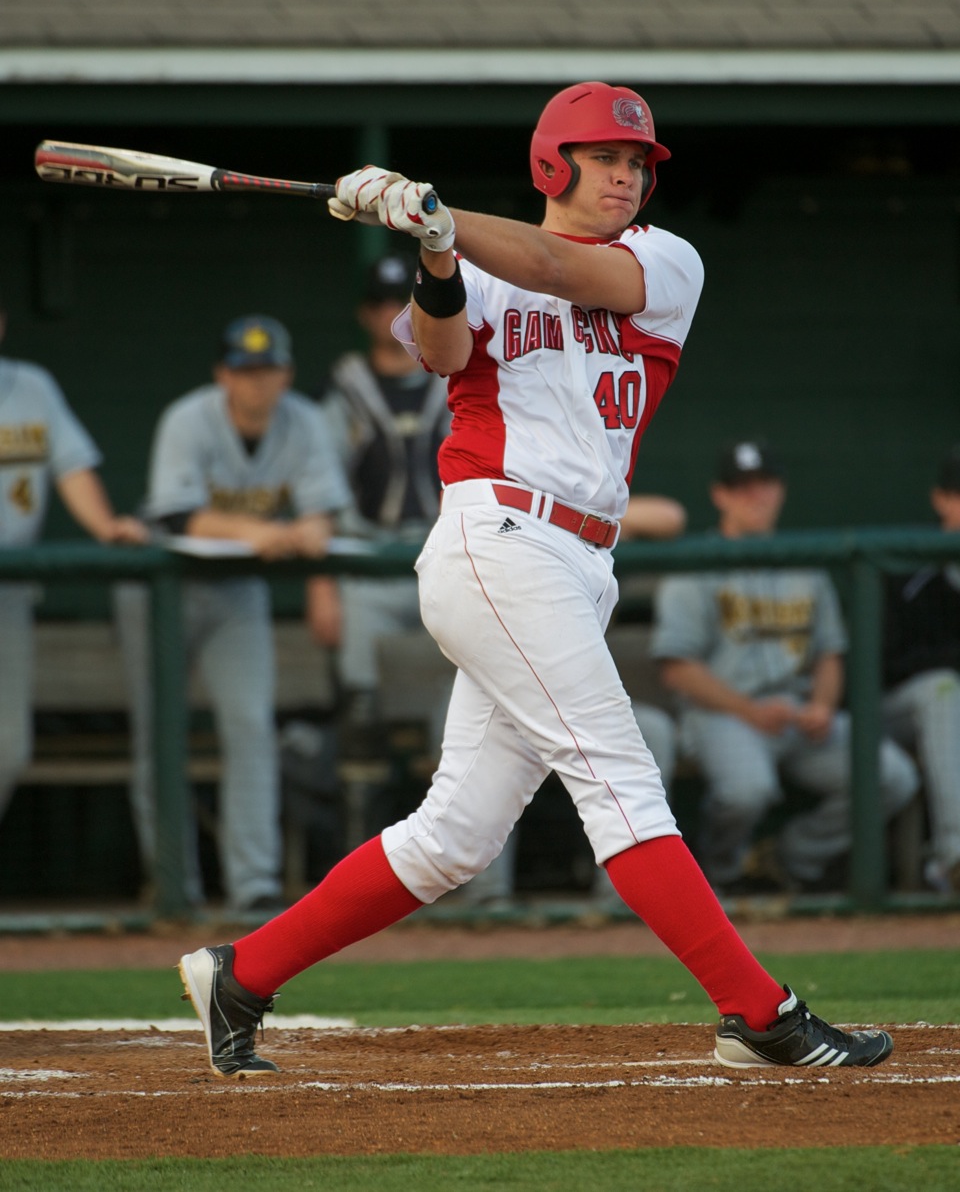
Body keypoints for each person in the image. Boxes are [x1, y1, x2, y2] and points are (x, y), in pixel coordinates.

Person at [178, 81, 896, 1074]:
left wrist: (433, 212)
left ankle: (242, 975)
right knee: (622, 780)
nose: (628, 177)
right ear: (555, 163)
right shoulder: (479, 266)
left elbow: (556, 262)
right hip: (499, 537)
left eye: (639, 163)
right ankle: (758, 1013)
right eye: (607, 159)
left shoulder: (664, 262)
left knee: (454, 837)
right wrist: (433, 251)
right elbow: (439, 349)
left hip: (576, 560)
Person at [115, 315, 351, 915]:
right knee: (158, 736)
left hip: (237, 593)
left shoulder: (304, 421)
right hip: (161, 590)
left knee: (249, 726)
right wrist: (262, 531)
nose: (257, 383)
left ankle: (254, 885)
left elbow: (325, 510)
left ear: (286, 373)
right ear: (224, 375)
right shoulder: (188, 418)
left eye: (268, 370)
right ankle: (175, 888)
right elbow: (174, 516)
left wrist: (311, 532)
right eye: (245, 371)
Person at [650, 439, 919, 895]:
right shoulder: (692, 566)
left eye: (765, 484)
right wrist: (748, 711)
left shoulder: (805, 564)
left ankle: (788, 857)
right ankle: (721, 871)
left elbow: (830, 654)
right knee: (746, 791)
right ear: (720, 495)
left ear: (780, 490)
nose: (756, 495)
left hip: (797, 716)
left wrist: (821, 704)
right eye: (742, 487)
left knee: (892, 777)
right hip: (725, 714)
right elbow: (677, 668)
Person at [457, 492, 684, 910]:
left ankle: (622, 902)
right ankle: (489, 903)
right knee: (441, 838)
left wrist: (569, 515)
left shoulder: (582, 509)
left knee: (647, 735)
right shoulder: (487, 516)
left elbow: (669, 516)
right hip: (500, 693)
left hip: (570, 696)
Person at [306, 252, 453, 845]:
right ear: (368, 315)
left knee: (461, 705)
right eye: (385, 306)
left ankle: (451, 855)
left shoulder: (454, 373)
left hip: (441, 561)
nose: (397, 315)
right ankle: (361, 848)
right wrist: (323, 583)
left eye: (407, 304)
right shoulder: (343, 387)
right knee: (362, 714)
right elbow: (319, 493)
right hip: (364, 565)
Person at [0, 290, 147, 828]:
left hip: (9, 591)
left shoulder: (31, 385)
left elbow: (71, 467)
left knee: (8, 747)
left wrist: (107, 527)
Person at [881, 444, 960, 895]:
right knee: (943, 690)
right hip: (900, 713)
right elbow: (885, 665)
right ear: (942, 500)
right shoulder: (909, 571)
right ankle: (954, 860)